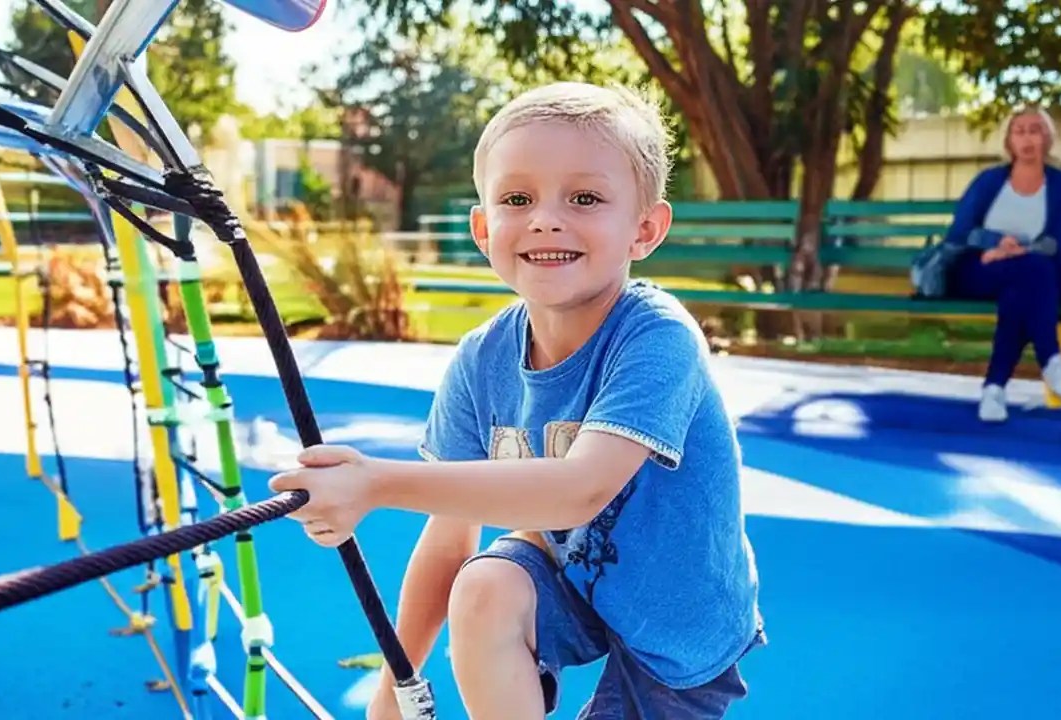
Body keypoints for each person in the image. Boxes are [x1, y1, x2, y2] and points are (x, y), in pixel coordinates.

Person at [268, 81, 764, 719]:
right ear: (483, 227)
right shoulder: (482, 358)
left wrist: (375, 484)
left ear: (645, 229)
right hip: (572, 582)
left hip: (677, 620)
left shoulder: (656, 335)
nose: (546, 218)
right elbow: (450, 541)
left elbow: (580, 490)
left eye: (584, 197)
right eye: (517, 198)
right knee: (484, 584)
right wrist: (396, 686)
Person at [942, 106, 1061, 422]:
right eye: (1019, 130)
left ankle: (994, 390)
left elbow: (1056, 242)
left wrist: (1013, 251)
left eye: (1035, 130)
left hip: (1031, 273)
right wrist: (994, 243)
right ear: (1009, 141)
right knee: (1032, 274)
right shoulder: (989, 181)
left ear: (1048, 139)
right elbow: (959, 232)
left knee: (1021, 289)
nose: (1027, 138)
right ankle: (1051, 362)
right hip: (979, 270)